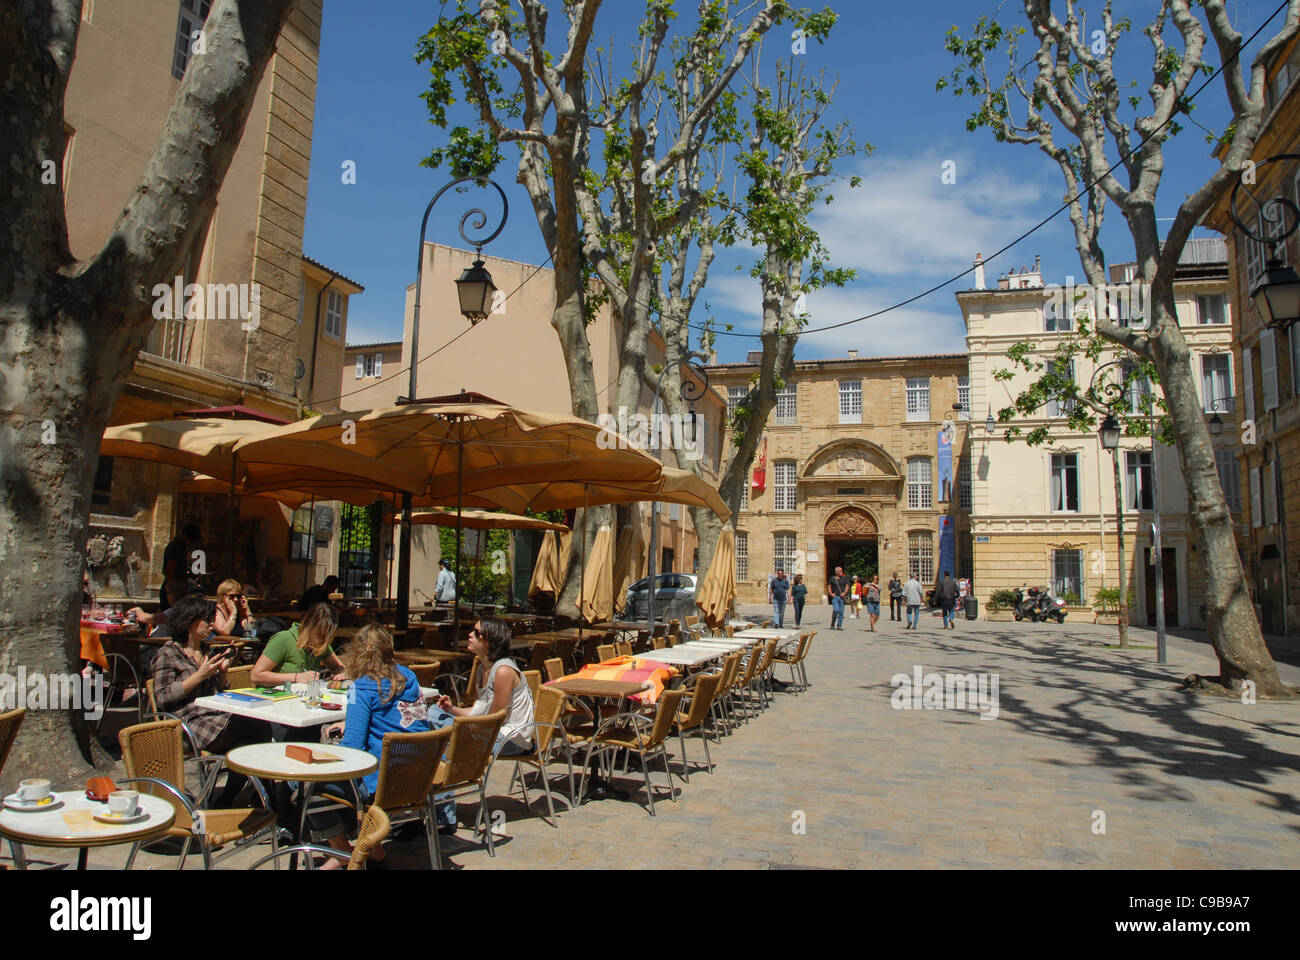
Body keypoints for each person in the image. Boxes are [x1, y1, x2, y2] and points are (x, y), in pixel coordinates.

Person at [315, 623, 455, 868]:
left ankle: (347, 855)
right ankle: (371, 849)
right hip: (418, 780)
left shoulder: (361, 686)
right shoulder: (408, 677)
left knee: (306, 786)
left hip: (383, 785)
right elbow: (397, 719)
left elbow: (352, 749)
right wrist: (355, 722)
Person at [149, 593, 259, 761]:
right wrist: (199, 676)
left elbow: (219, 692)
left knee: (253, 736)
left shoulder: (206, 651)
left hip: (216, 716)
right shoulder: (168, 653)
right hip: (189, 723)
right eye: (207, 620)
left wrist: (222, 672)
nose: (212, 624)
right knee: (254, 728)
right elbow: (162, 697)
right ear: (190, 622)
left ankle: (246, 787)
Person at [437, 617, 534, 759]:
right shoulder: (482, 668)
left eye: (477, 633)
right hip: (489, 730)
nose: (470, 635)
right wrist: (451, 709)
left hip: (509, 738)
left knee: (451, 747)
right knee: (434, 711)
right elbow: (479, 709)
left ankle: (438, 770)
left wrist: (461, 729)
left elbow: (494, 720)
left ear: (491, 641)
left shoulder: (503, 671)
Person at [252, 602, 345, 686]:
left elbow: (339, 668)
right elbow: (255, 676)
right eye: (320, 634)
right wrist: (297, 677)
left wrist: (342, 674)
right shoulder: (284, 639)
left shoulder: (321, 645)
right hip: (274, 698)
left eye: (328, 636)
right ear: (308, 623)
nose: (324, 639)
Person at [160, 523, 201, 610]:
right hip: (173, 590)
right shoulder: (176, 548)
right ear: (185, 536)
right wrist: (173, 593)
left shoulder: (180, 548)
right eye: (191, 541)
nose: (191, 544)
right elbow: (170, 571)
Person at [828, 566, 850, 630]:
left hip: (842, 597)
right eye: (840, 571)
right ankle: (832, 623)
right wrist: (831, 594)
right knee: (836, 610)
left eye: (841, 570)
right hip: (835, 597)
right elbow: (829, 586)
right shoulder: (832, 578)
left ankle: (839, 625)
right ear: (836, 572)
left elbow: (847, 586)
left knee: (841, 611)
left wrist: (844, 593)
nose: (841, 572)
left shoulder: (844, 578)